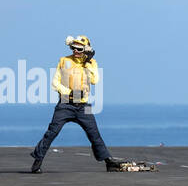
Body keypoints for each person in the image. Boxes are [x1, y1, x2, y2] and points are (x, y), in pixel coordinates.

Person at [31, 36, 121, 173]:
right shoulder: (64, 61)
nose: (75, 51)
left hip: (83, 106)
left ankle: (108, 161)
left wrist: (88, 62)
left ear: (86, 50)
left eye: (79, 49)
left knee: (94, 134)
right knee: (52, 132)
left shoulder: (91, 63)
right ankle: (37, 162)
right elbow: (55, 83)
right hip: (65, 104)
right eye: (73, 48)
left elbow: (95, 80)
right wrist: (69, 92)